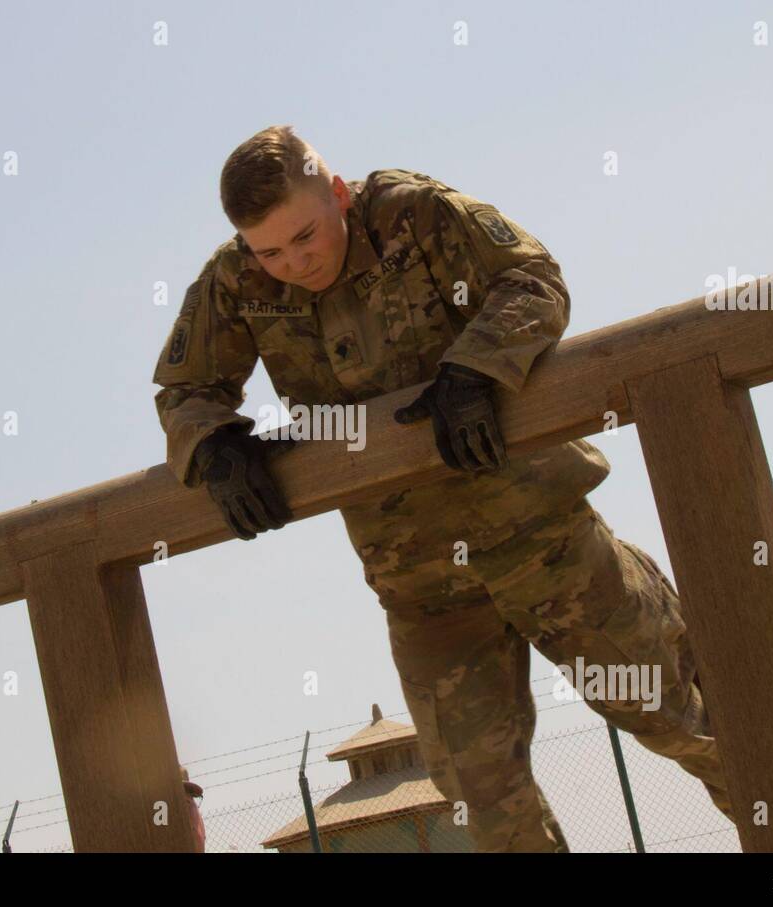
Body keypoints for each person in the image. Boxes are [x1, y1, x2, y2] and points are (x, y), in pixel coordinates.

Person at [152, 125, 734, 852]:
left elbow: (534, 279)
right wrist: (215, 448)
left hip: (542, 542)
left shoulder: (412, 214)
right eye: (270, 251)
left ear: (337, 194)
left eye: (305, 236)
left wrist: (477, 368)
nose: (293, 263)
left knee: (688, 722)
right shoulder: (237, 281)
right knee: (483, 803)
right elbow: (183, 389)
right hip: (421, 586)